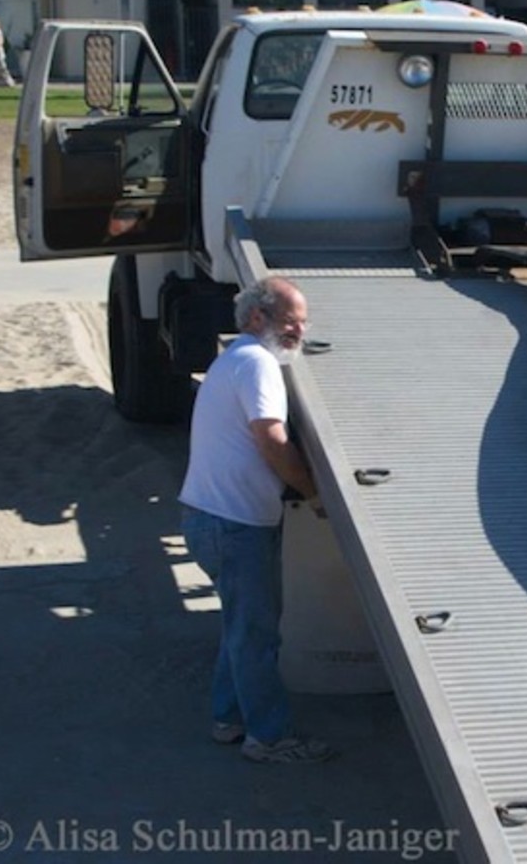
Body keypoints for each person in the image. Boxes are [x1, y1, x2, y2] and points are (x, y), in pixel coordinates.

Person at [180, 277, 335, 764]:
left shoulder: (233, 360)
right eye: (291, 321)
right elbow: (272, 440)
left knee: (242, 627)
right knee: (256, 635)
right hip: (235, 525)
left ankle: (229, 718)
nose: (299, 332)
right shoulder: (258, 363)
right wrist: (314, 492)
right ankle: (269, 738)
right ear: (256, 317)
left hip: (210, 517)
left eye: (304, 323)